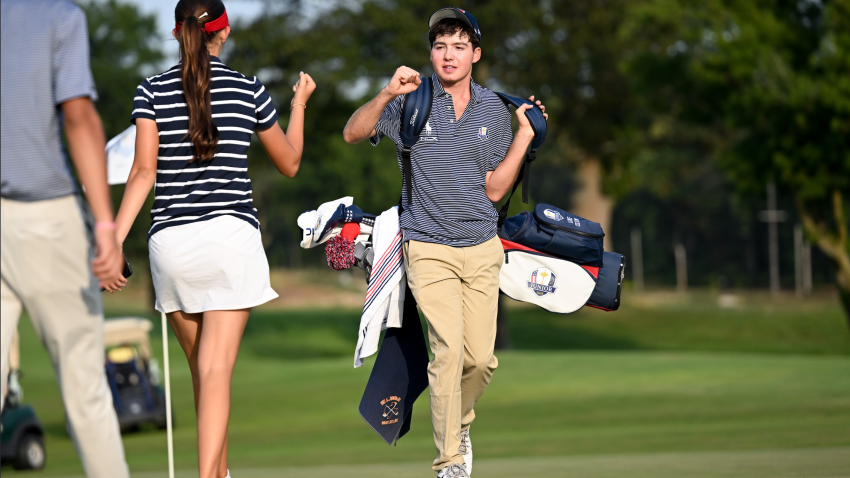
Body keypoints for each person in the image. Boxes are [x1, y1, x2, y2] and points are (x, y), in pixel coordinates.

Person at [102, 1, 315, 476]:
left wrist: (113, 242)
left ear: (178, 33)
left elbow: (141, 173)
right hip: (229, 240)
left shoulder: (150, 90)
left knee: (204, 372)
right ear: (225, 32)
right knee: (215, 373)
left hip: (170, 247)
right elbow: (291, 162)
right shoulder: (249, 89)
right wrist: (298, 103)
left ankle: (219, 472)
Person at [343, 7, 547, 478]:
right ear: (430, 53)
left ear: (475, 54)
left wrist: (523, 135)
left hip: (481, 247)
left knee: (480, 359)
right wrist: (387, 92)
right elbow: (353, 132)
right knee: (448, 352)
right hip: (427, 247)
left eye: (459, 46)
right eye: (439, 46)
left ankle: (459, 425)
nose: (448, 55)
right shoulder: (410, 102)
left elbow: (496, 190)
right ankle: (449, 462)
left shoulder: (495, 111)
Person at [0, 1, 130, 476]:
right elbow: (78, 116)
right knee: (85, 393)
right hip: (44, 219)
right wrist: (104, 225)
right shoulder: (59, 16)